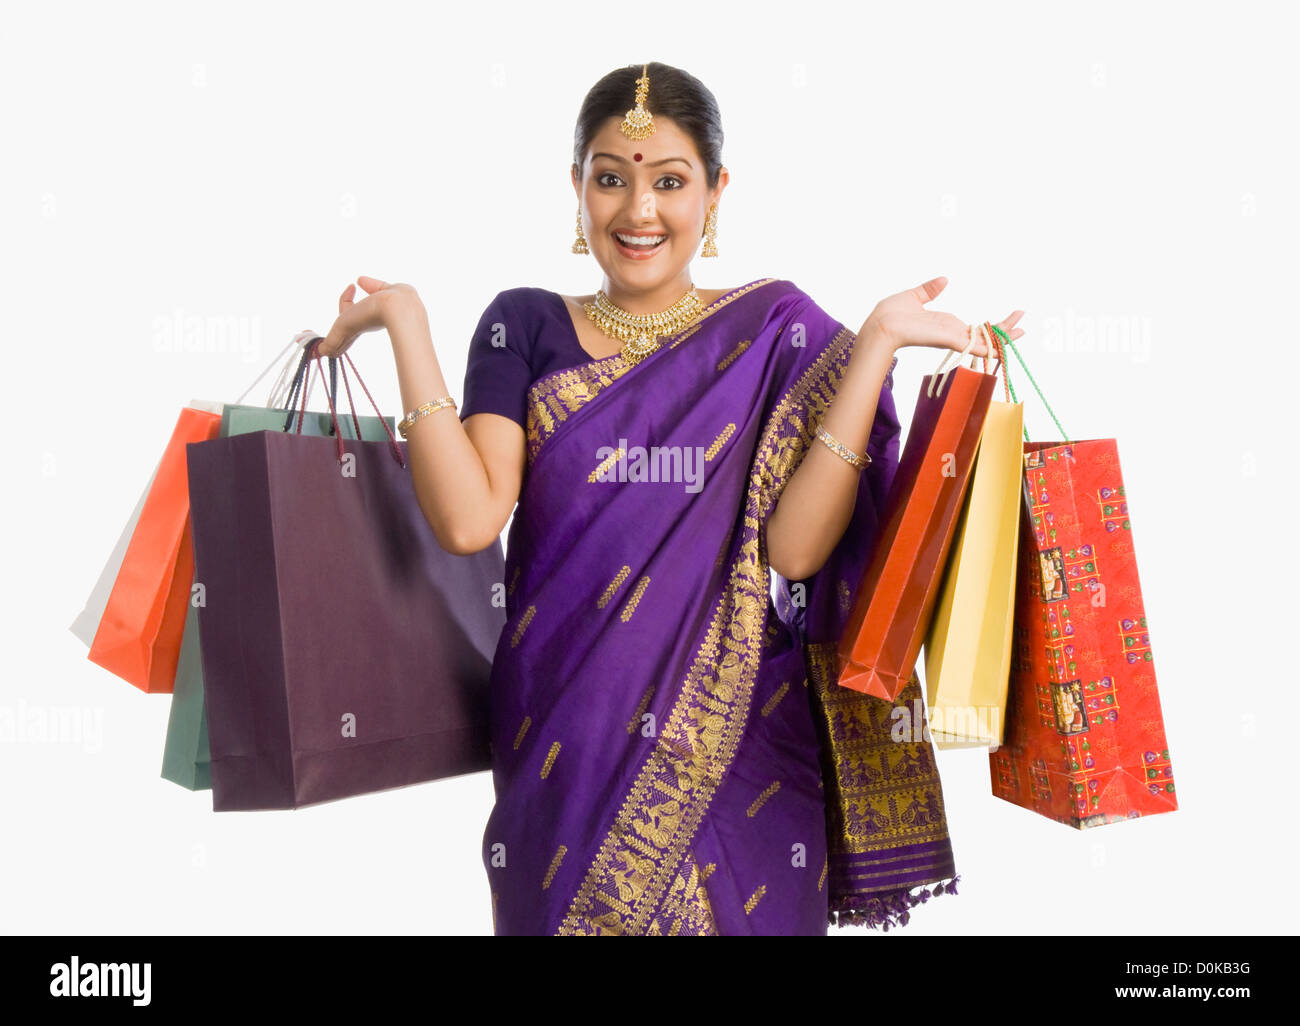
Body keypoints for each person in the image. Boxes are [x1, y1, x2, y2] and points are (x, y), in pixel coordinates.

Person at [315, 61, 1024, 936]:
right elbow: (469, 518)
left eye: (669, 182)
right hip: (565, 740)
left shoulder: (775, 334)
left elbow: (797, 554)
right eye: (610, 178)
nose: (638, 211)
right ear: (575, 189)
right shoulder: (522, 326)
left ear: (716, 192)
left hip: (741, 754)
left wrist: (876, 343)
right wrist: (407, 324)